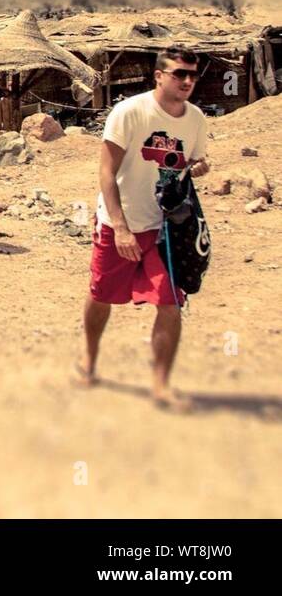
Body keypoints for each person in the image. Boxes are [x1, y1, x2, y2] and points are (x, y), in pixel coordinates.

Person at [77, 46, 210, 410]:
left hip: (167, 226)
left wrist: (198, 167)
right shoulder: (129, 112)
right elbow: (106, 172)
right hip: (122, 221)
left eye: (192, 75)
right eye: (179, 74)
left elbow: (193, 160)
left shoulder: (196, 119)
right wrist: (119, 227)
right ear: (159, 76)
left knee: (169, 303)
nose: (187, 81)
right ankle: (88, 357)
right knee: (102, 293)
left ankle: (160, 383)